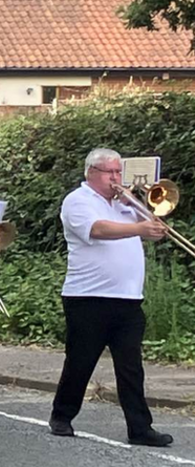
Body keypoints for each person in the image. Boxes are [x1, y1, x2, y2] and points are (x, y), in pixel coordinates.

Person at [49, 148, 173, 447]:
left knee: (131, 367)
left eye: (119, 172)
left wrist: (139, 204)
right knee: (80, 362)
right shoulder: (77, 200)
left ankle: (140, 428)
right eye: (110, 172)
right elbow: (98, 229)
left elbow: (155, 228)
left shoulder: (124, 204)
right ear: (91, 172)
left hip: (128, 298)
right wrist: (138, 227)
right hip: (88, 297)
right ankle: (62, 416)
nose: (116, 178)